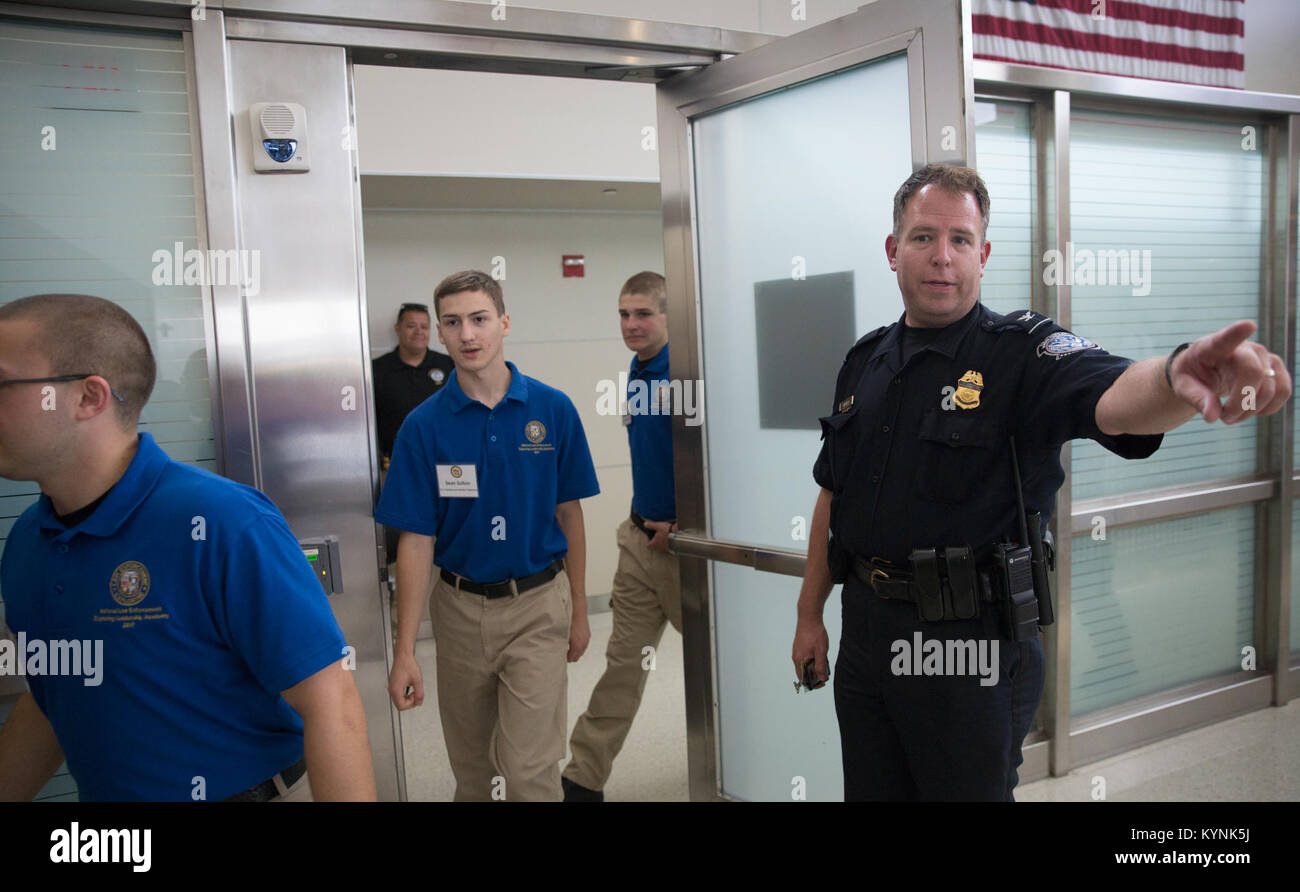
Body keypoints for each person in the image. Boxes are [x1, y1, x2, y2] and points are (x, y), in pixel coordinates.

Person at [791, 163, 1291, 802]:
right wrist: (810, 615)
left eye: (960, 239)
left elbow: (1112, 396)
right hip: (865, 634)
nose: (942, 257)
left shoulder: (1019, 352)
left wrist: (1175, 375)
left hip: (970, 646)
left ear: (983, 253)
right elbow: (833, 493)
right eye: (922, 238)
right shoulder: (864, 360)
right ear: (893, 251)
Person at [0, 293, 376, 802]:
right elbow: (53, 699)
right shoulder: (29, 539)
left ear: (89, 397)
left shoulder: (221, 522)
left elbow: (330, 701)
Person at [378, 270, 600, 802]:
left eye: (479, 319)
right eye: (452, 323)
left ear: (503, 322)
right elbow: (415, 540)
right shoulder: (423, 427)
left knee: (529, 773)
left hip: (539, 604)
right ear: (439, 332)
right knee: (475, 776)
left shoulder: (553, 410)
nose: (468, 335)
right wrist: (404, 649)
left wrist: (579, 610)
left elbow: (569, 515)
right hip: (457, 611)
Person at [562, 271, 682, 803]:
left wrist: (685, 525)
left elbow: (722, 458)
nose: (630, 325)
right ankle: (582, 779)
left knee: (722, 672)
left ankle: (746, 767)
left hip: (687, 550)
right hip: (637, 543)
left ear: (668, 316)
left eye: (642, 314)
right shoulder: (637, 371)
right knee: (622, 665)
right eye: (623, 314)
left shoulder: (685, 375)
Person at [373, 302, 455, 562]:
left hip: (448, 468)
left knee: (449, 532)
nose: (418, 332)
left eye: (424, 326)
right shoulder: (377, 371)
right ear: (398, 329)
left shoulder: (449, 366)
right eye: (411, 326)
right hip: (396, 469)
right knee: (405, 537)